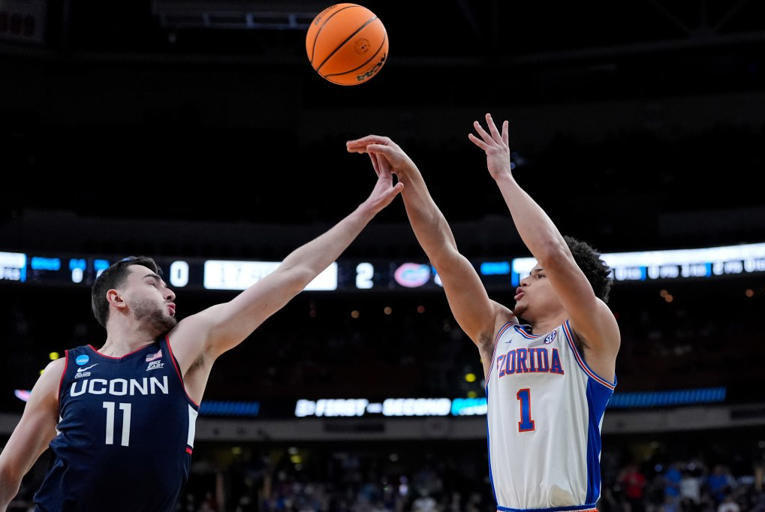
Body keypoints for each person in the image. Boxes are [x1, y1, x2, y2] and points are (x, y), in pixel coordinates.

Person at [0, 164, 404, 511]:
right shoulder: (64, 370)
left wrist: (365, 211)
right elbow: (9, 470)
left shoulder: (185, 344)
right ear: (116, 297)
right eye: (154, 283)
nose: (170, 292)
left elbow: (289, 275)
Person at [347, 113, 620, 512]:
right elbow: (445, 255)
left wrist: (503, 178)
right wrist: (410, 176)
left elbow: (554, 253)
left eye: (537, 276)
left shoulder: (593, 333)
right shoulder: (497, 330)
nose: (522, 283)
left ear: (569, 286)